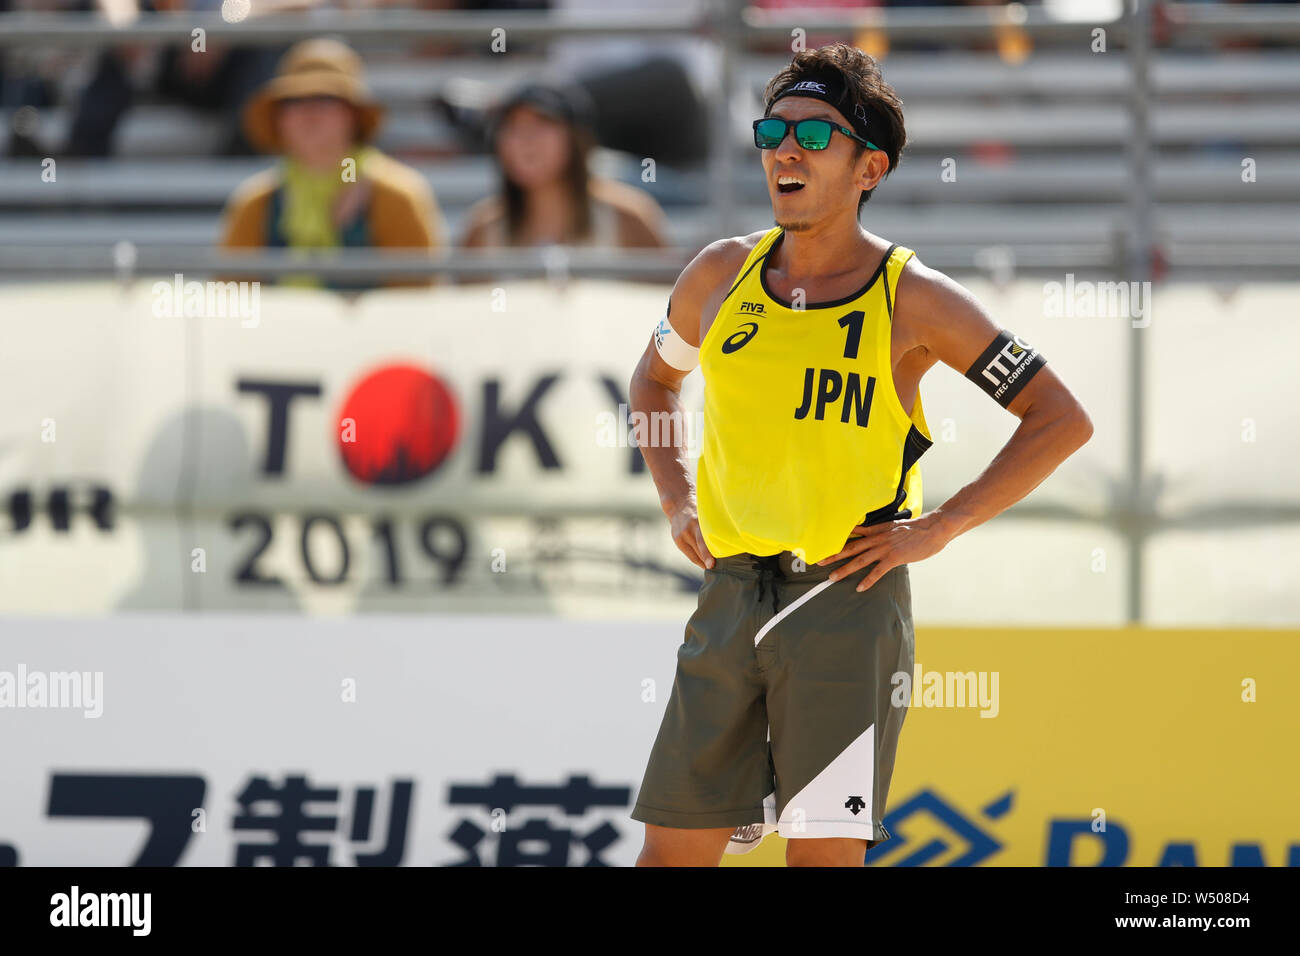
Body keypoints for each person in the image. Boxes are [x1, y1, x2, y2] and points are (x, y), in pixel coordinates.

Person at [627, 42, 1093, 867]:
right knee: (669, 859)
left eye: (814, 134)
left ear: (869, 167)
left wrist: (939, 526)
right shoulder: (718, 275)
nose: (784, 149)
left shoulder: (915, 297)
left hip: (847, 600)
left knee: (821, 861)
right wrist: (675, 499)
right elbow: (652, 385)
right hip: (731, 592)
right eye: (774, 129)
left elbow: (1060, 418)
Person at [218, 38, 446, 289]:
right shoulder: (256, 204)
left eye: (325, 98)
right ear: (280, 118)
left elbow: (417, 303)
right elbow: (233, 300)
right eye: (294, 101)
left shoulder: (395, 196)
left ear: (353, 115)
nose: (309, 113)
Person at [460, 82, 668, 250]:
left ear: (575, 139)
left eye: (542, 123)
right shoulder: (483, 229)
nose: (524, 139)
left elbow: (667, 298)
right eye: (512, 126)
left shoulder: (629, 218)